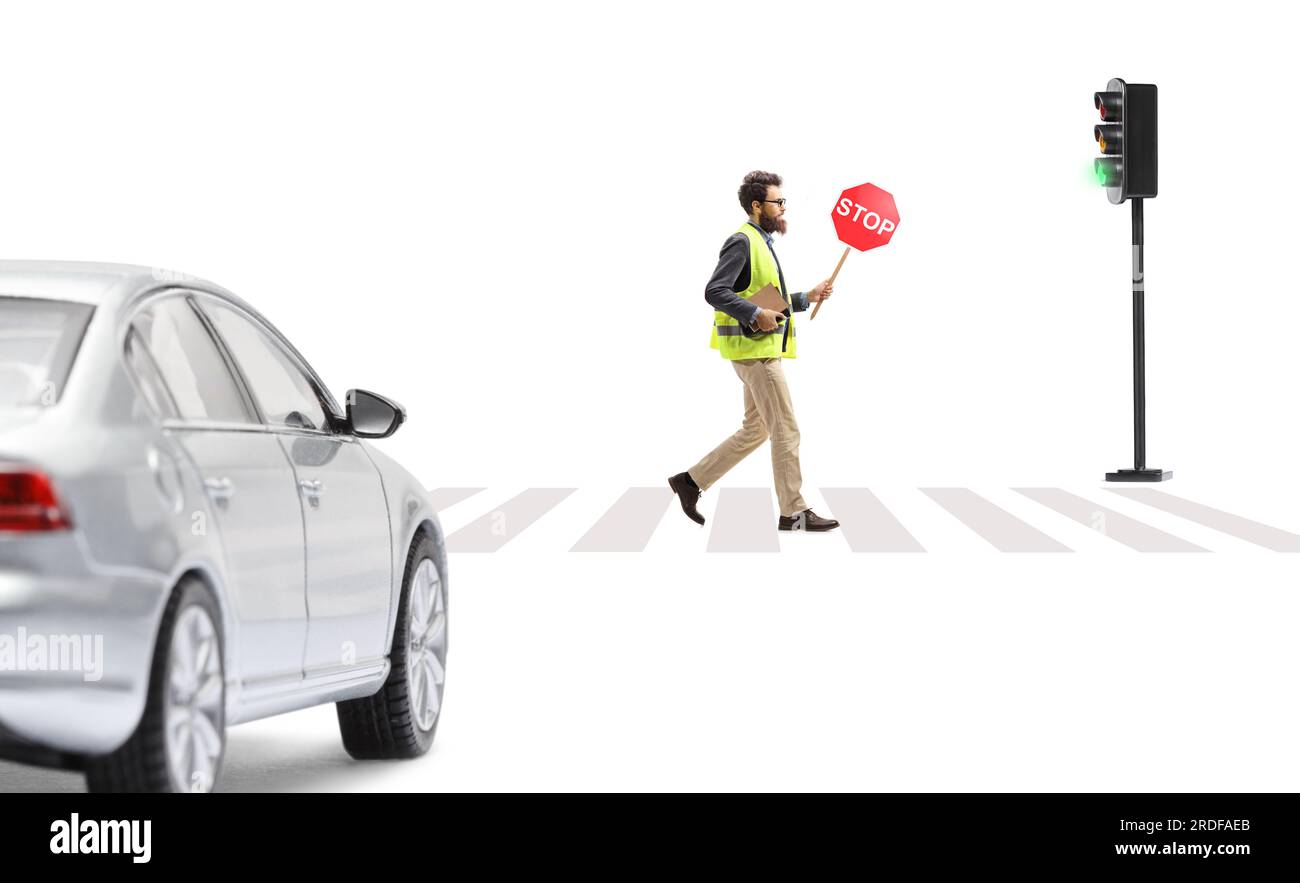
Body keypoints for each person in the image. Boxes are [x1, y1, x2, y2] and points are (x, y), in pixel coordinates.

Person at [668, 170, 841, 532]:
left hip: (754, 350)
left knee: (758, 428)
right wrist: (754, 313)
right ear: (757, 205)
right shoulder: (743, 241)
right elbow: (715, 290)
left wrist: (804, 298)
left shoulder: (762, 242)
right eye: (777, 202)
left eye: (783, 202)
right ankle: (793, 512)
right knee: (786, 429)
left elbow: (763, 297)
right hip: (757, 354)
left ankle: (690, 481)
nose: (783, 208)